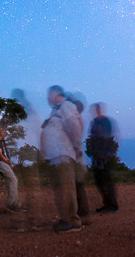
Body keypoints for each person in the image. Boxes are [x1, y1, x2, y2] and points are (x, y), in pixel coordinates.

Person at [40, 85, 90, 233]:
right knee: (60, 189)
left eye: (49, 94)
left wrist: (77, 146)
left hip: (63, 154)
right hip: (55, 156)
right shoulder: (55, 110)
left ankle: (72, 222)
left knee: (66, 188)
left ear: (56, 94)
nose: (47, 98)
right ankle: (65, 218)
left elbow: (73, 125)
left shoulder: (66, 106)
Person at [86, 102, 119, 213]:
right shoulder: (94, 122)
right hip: (96, 155)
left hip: (104, 156)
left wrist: (105, 154)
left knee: (106, 180)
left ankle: (112, 205)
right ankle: (106, 204)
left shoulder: (105, 122)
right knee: (99, 181)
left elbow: (107, 137)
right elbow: (92, 137)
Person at [0, 123, 25, 213]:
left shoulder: (0, 141)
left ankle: (15, 203)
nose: (4, 132)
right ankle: (12, 204)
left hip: (1, 162)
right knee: (13, 180)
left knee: (13, 180)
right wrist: (7, 162)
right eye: (3, 130)